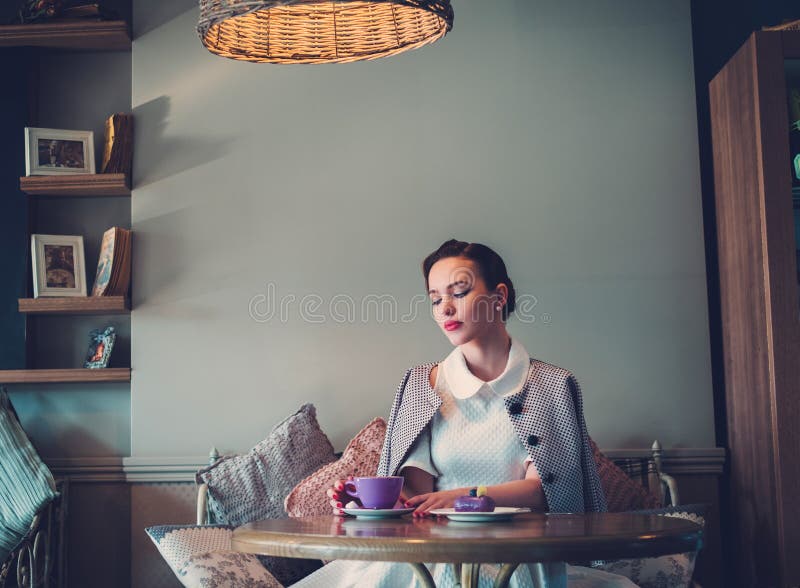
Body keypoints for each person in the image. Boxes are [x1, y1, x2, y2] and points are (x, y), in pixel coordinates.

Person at [294, 239, 635, 588]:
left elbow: (543, 491)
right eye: (436, 299)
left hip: (520, 559)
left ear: (498, 297)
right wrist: (381, 502)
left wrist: (462, 497)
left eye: (459, 292)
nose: (445, 309)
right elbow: (417, 496)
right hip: (430, 559)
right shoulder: (421, 385)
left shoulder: (552, 385)